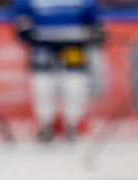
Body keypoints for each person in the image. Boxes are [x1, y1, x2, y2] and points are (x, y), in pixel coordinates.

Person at [12, 0, 104, 143]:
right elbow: (21, 15)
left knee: (75, 83)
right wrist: (24, 29)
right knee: (42, 84)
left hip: (74, 44)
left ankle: (72, 125)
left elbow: (93, 17)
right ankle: (46, 125)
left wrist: (96, 31)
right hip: (42, 44)